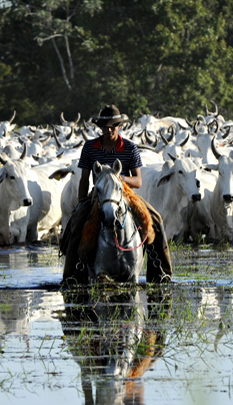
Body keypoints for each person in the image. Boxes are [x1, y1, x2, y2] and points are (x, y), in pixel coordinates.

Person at [61, 104, 172, 284]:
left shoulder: (130, 147)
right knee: (76, 223)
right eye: (105, 127)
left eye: (113, 126)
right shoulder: (89, 147)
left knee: (156, 220)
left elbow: (138, 181)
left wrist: (120, 178)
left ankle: (161, 272)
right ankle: (72, 274)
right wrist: (82, 203)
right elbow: (84, 179)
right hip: (97, 195)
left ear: (119, 127)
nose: (109, 130)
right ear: (100, 128)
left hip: (125, 194)